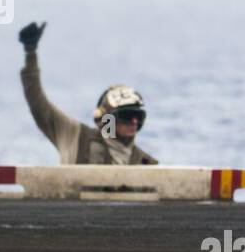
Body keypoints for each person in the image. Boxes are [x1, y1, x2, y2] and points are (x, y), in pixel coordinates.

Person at [17, 21, 158, 165]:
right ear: (107, 119)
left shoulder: (146, 163)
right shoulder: (73, 136)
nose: (134, 122)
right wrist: (30, 53)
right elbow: (39, 105)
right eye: (127, 116)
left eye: (138, 116)